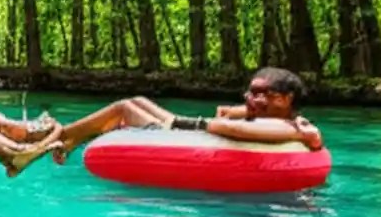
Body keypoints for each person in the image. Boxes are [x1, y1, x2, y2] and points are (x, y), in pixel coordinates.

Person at [51, 67, 324, 164]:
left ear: (285, 99)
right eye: (250, 92)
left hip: (182, 131)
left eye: (260, 94)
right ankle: (67, 139)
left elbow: (232, 130)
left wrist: (216, 122)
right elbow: (233, 115)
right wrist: (243, 110)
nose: (249, 98)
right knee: (136, 101)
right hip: (185, 128)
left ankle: (61, 137)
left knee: (125, 108)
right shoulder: (275, 116)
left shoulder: (291, 128)